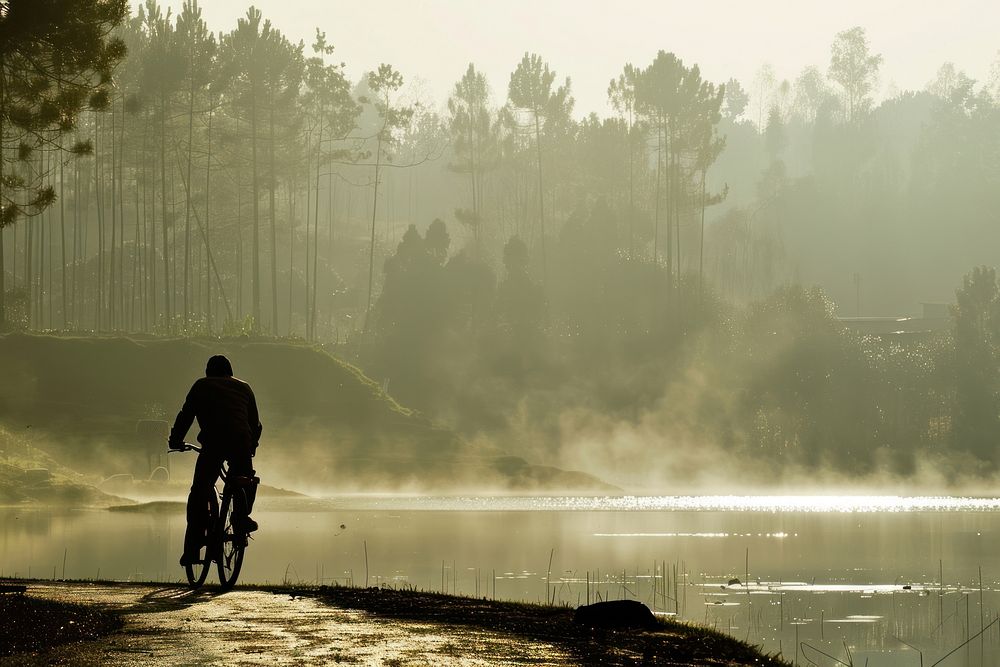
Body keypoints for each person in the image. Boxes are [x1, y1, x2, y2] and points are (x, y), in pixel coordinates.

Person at [168, 355, 262, 566]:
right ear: (230, 371)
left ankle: (193, 548)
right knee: (245, 478)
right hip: (241, 443)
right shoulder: (244, 387)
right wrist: (251, 447)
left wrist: (176, 440)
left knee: (200, 490)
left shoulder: (201, 385)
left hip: (214, 444)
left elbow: (186, 415)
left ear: (208, 372)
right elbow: (255, 423)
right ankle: (241, 518)